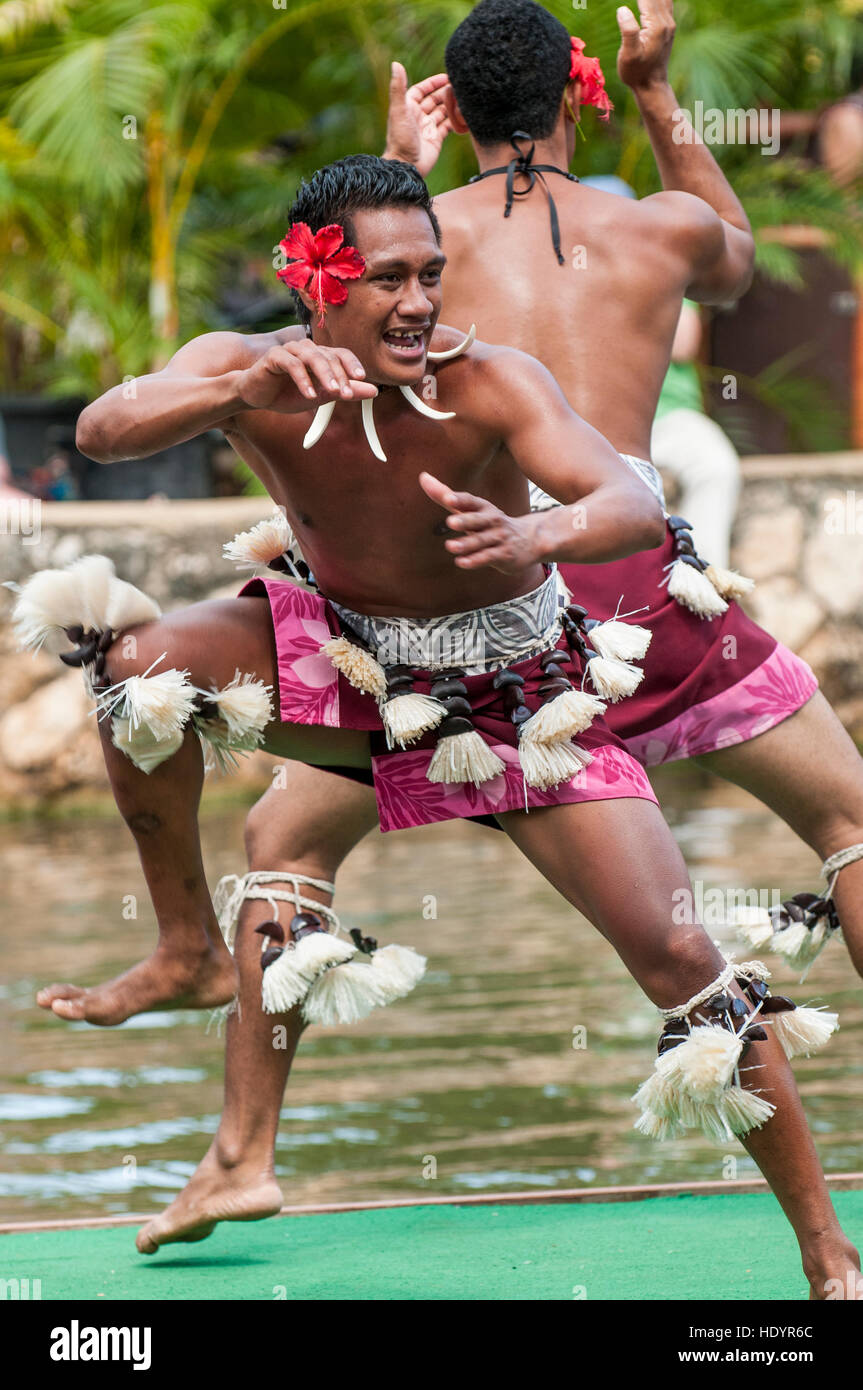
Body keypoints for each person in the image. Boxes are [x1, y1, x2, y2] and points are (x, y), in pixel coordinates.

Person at [17, 153, 861, 1296]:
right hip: (353, 667)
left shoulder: (487, 380)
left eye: (432, 274)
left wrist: (535, 539)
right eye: (388, 280)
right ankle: (185, 950)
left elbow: (628, 500)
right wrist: (245, 385)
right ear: (315, 280)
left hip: (521, 701)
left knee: (676, 955)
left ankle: (825, 1255)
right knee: (131, 665)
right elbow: (109, 427)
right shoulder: (246, 370)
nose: (419, 303)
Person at [650, 300, 741, 567]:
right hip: (598, 422)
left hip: (672, 417)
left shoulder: (667, 268)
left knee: (717, 467)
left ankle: (703, 580)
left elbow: (682, 345)